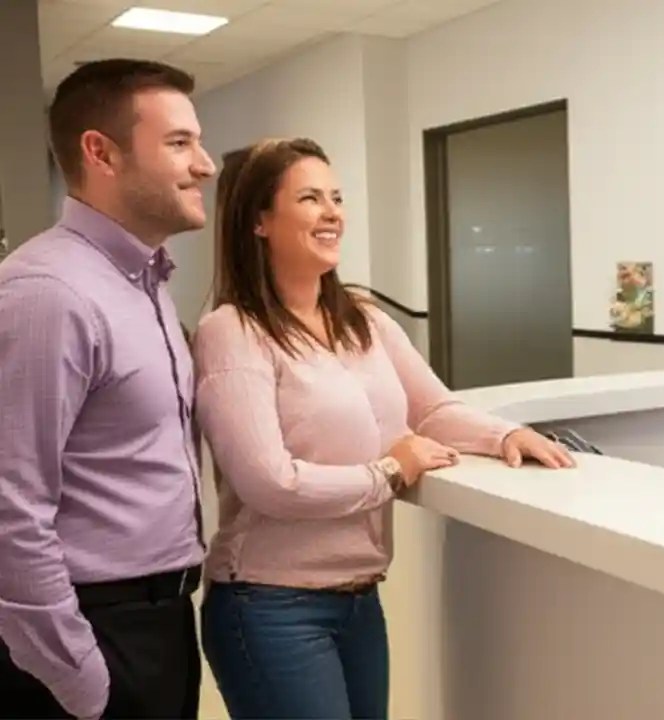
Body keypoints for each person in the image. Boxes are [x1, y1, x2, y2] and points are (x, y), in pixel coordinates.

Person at [193, 137, 575, 719]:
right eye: (310, 198)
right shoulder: (232, 332)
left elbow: (432, 411)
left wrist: (504, 436)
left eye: (337, 197)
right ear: (260, 222)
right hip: (269, 604)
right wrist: (390, 473)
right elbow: (269, 483)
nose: (332, 213)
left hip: (359, 600)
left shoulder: (361, 317)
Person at [0, 59, 215, 718]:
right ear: (101, 152)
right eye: (179, 143)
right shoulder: (48, 294)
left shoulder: (142, 284)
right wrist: (82, 682)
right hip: (93, 636)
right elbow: (10, 508)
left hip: (163, 621)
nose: (205, 164)